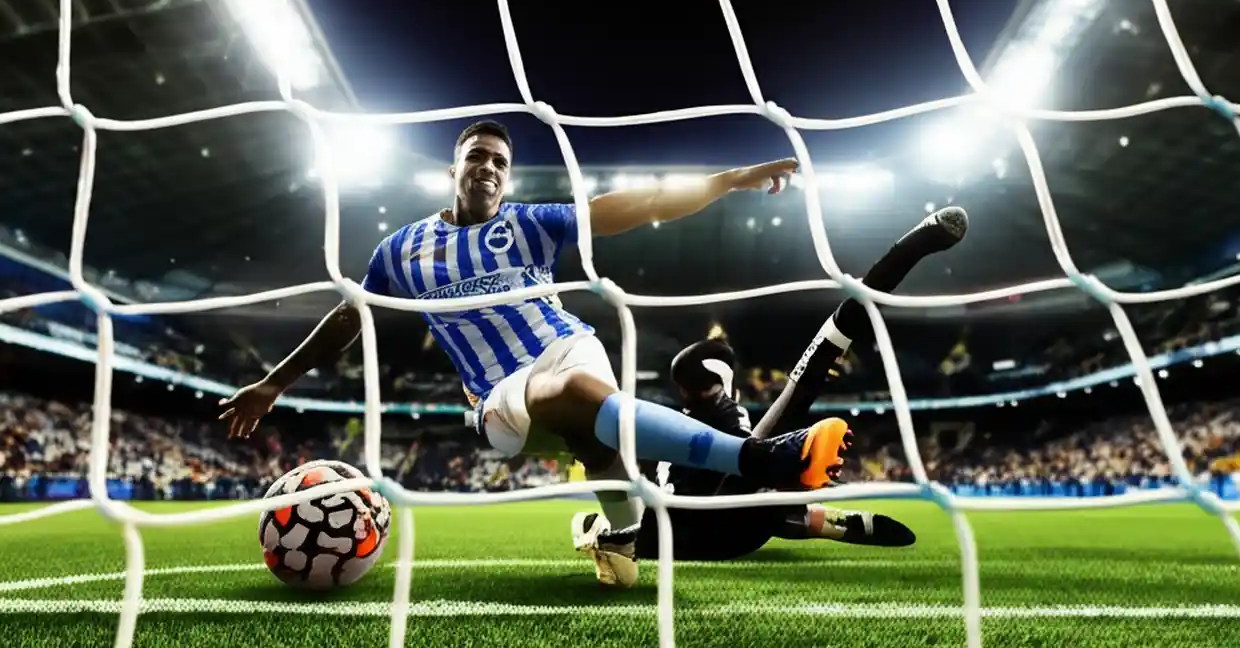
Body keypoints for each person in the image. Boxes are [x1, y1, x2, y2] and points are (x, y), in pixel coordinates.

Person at [217, 119, 852, 579]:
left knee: (589, 413)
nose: (488, 168)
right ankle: (740, 470)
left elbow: (635, 205)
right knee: (587, 422)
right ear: (454, 169)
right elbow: (348, 317)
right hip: (495, 394)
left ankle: (665, 513)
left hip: (570, 347)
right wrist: (275, 381)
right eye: (477, 157)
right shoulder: (400, 251)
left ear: (507, 175)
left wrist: (727, 181)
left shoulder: (528, 223)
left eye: (498, 160)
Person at [572, 206, 966, 583]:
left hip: (699, 531)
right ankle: (799, 469)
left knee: (772, 440)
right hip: (706, 526)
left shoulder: (698, 421)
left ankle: (798, 467)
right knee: (788, 412)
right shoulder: (698, 420)